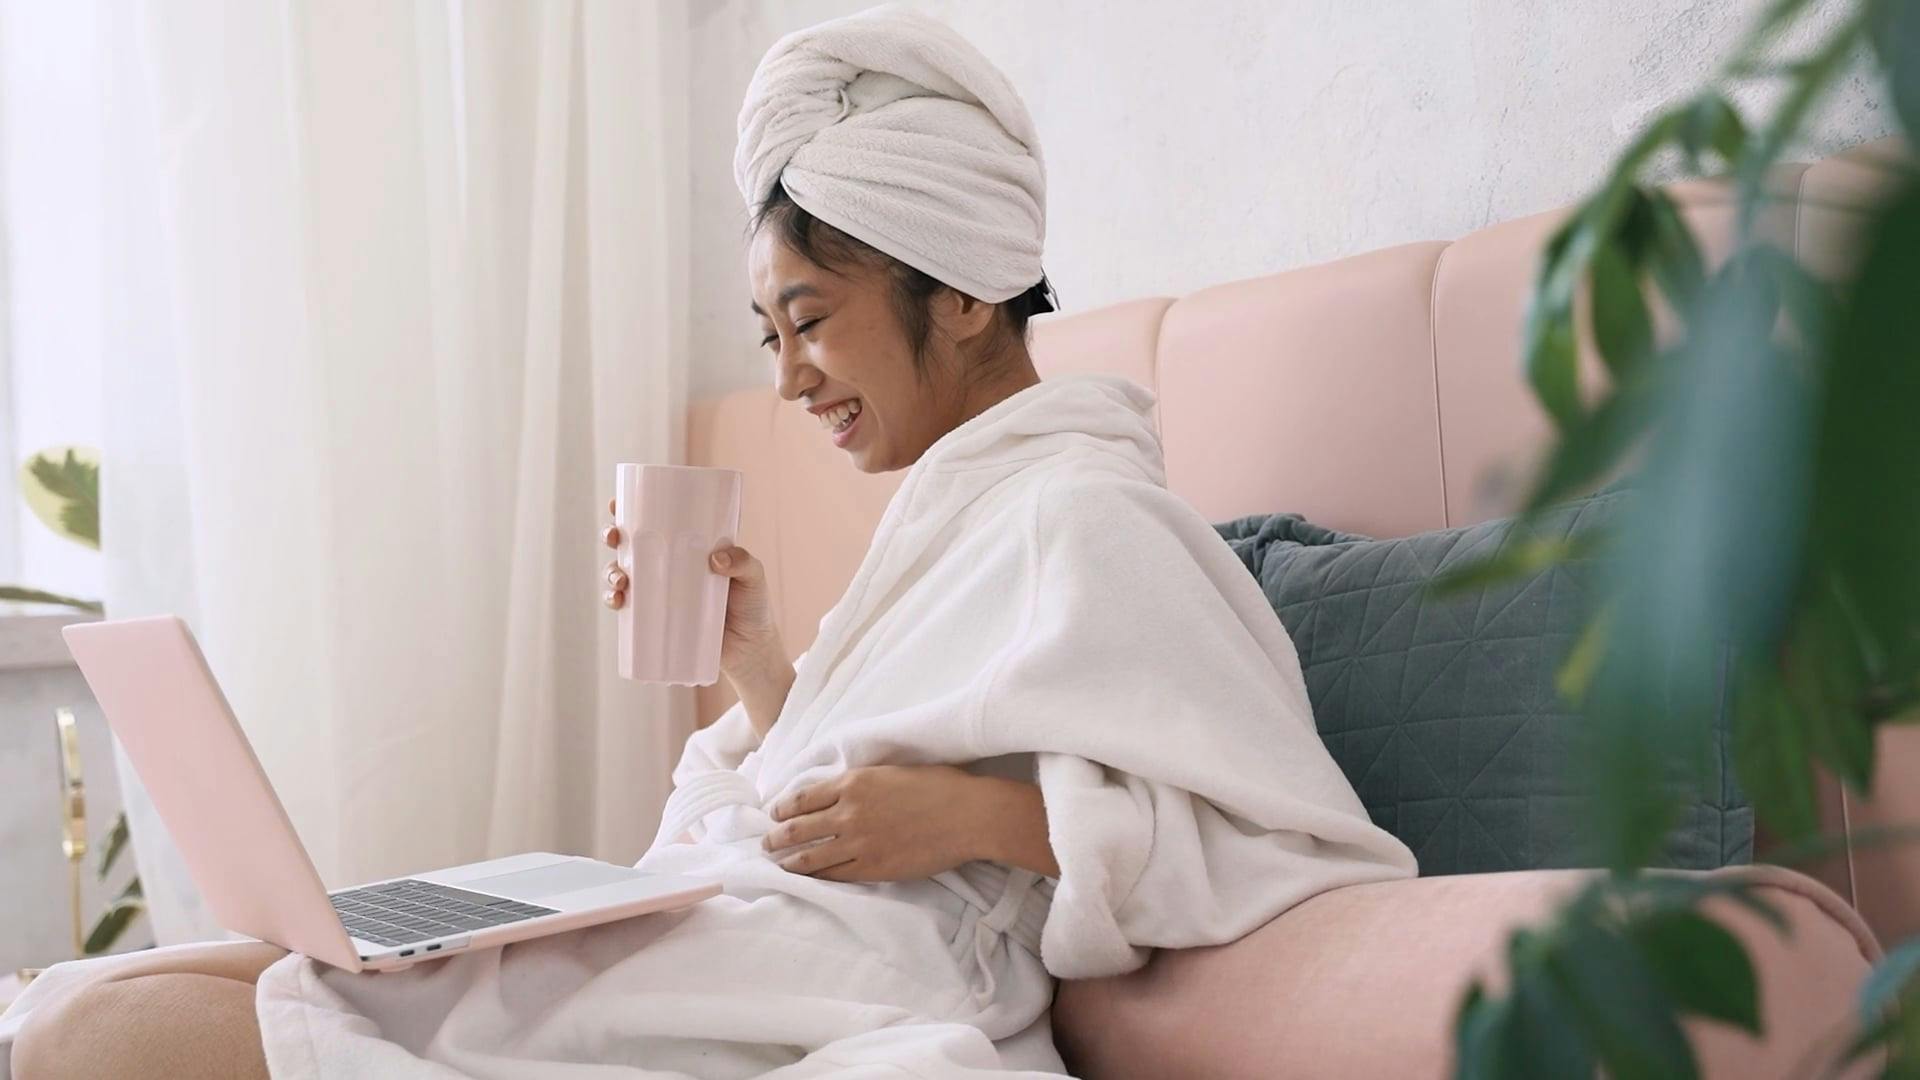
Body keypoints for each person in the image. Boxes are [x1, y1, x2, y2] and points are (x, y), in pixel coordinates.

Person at [10, 7, 1415, 1078]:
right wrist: (762, 675)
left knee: (98, 1032)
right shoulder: (960, 512)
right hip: (733, 923)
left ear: (974, 292)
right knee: (76, 1008)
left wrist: (985, 822)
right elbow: (874, 767)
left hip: (830, 978)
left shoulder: (1095, 518)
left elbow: (1300, 848)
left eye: (810, 319)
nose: (791, 379)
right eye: (772, 337)